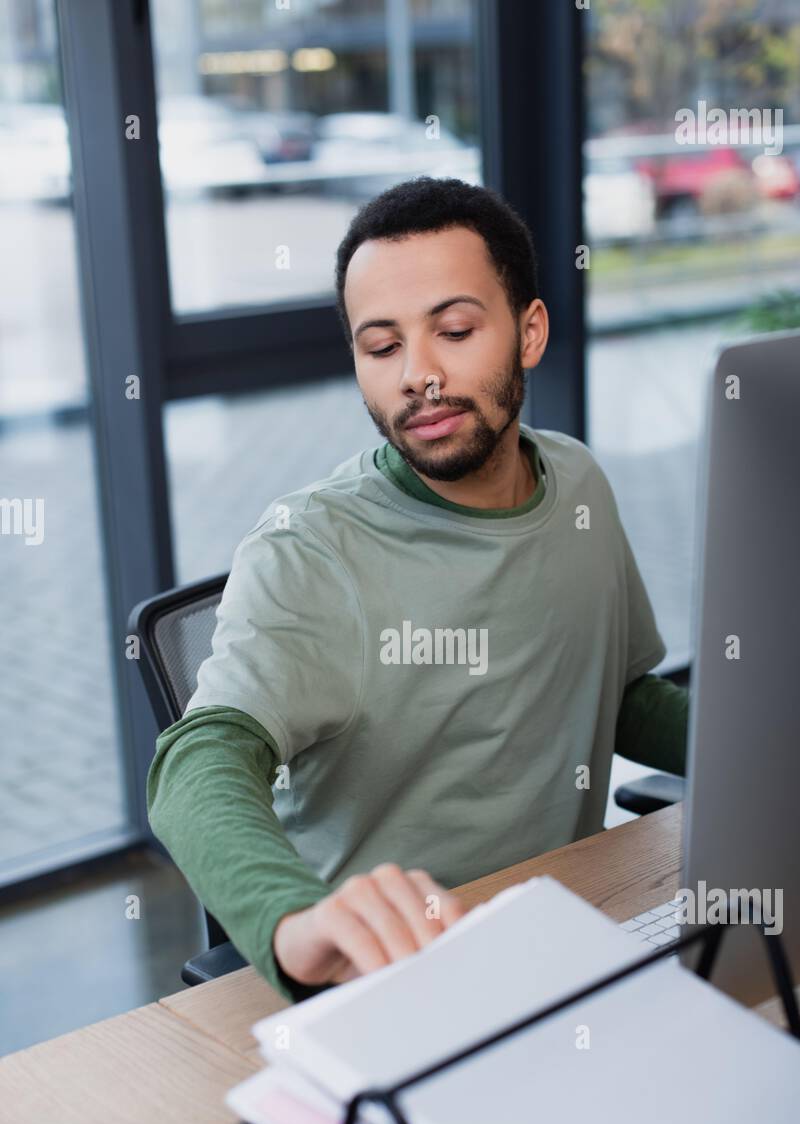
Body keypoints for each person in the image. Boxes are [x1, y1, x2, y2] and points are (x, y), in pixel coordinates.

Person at [148, 177, 688, 1001]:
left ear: (529, 332)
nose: (418, 375)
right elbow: (198, 762)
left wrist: (786, 752)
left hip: (566, 928)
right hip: (388, 976)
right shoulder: (309, 551)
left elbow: (614, 694)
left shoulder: (576, 483)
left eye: (455, 330)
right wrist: (297, 923)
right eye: (381, 346)